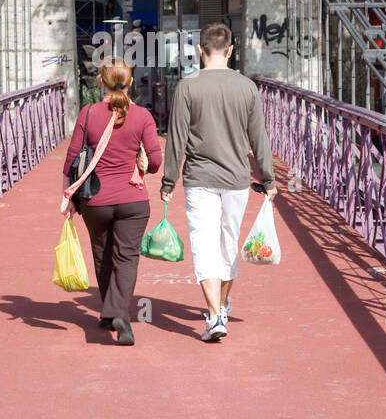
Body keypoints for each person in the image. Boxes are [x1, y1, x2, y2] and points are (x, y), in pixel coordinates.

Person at [161, 23, 276, 342]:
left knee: (203, 243)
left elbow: (177, 138)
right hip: (237, 179)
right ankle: (219, 307)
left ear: (200, 51)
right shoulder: (246, 88)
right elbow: (259, 138)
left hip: (199, 178)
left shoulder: (187, 86)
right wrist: (268, 178)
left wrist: (168, 181)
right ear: (231, 51)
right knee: (228, 243)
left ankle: (215, 313)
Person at [61, 58, 162, 345]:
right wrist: (144, 165)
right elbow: (155, 162)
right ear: (130, 83)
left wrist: (67, 195)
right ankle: (117, 313)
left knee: (102, 254)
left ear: (100, 82)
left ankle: (110, 313)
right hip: (134, 199)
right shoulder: (142, 115)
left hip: (96, 200)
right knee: (126, 258)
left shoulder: (89, 113)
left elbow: (72, 158)